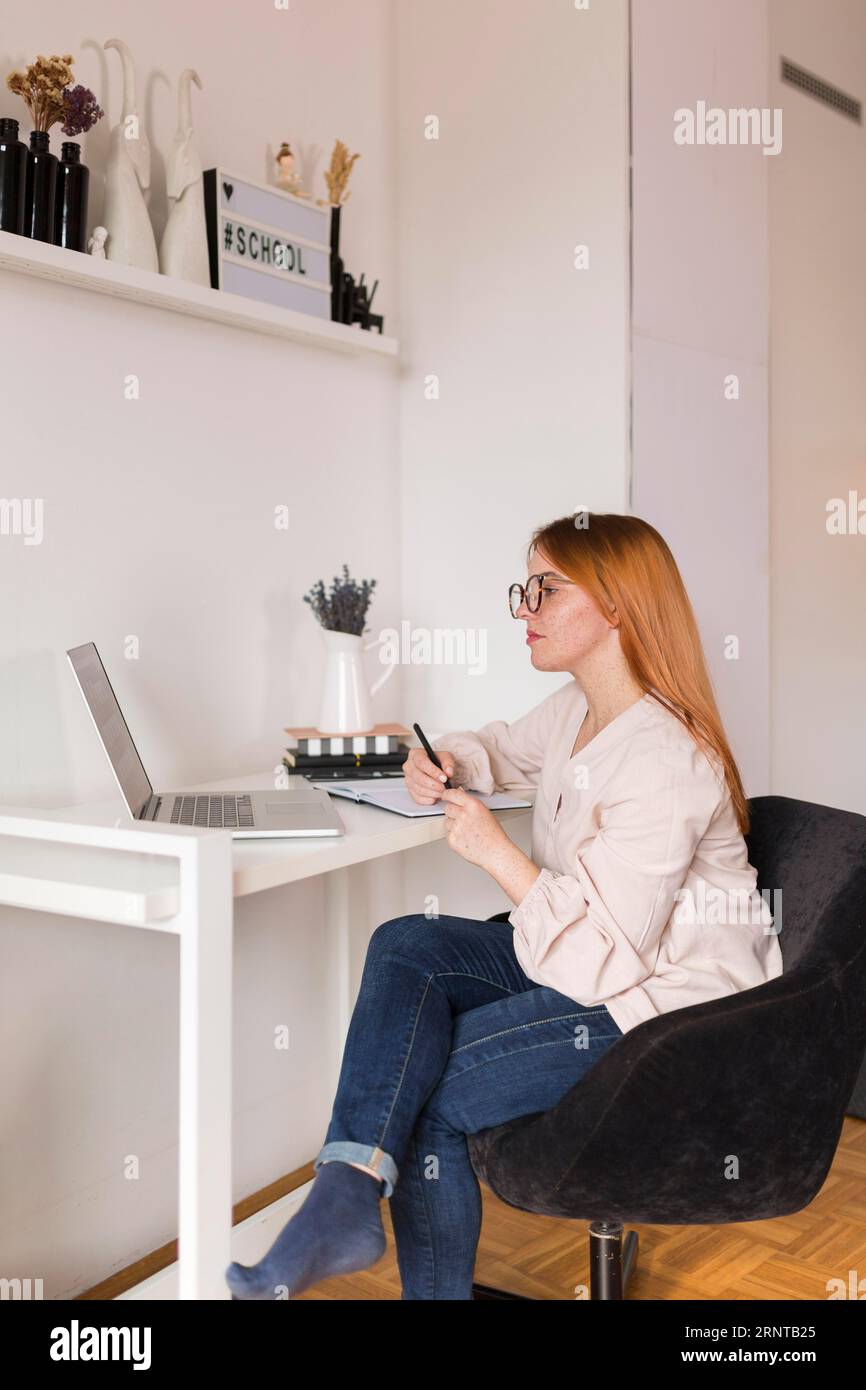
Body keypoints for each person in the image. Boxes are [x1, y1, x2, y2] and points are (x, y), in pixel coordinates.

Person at [226, 510, 783, 1300]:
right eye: (524, 589)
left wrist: (495, 851)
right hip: (599, 960)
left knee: (429, 1092)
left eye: (547, 590)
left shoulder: (665, 760)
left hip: (665, 1011)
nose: (524, 610)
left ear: (618, 604)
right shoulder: (578, 710)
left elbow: (600, 963)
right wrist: (448, 758)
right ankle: (349, 1187)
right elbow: (500, 747)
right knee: (405, 943)